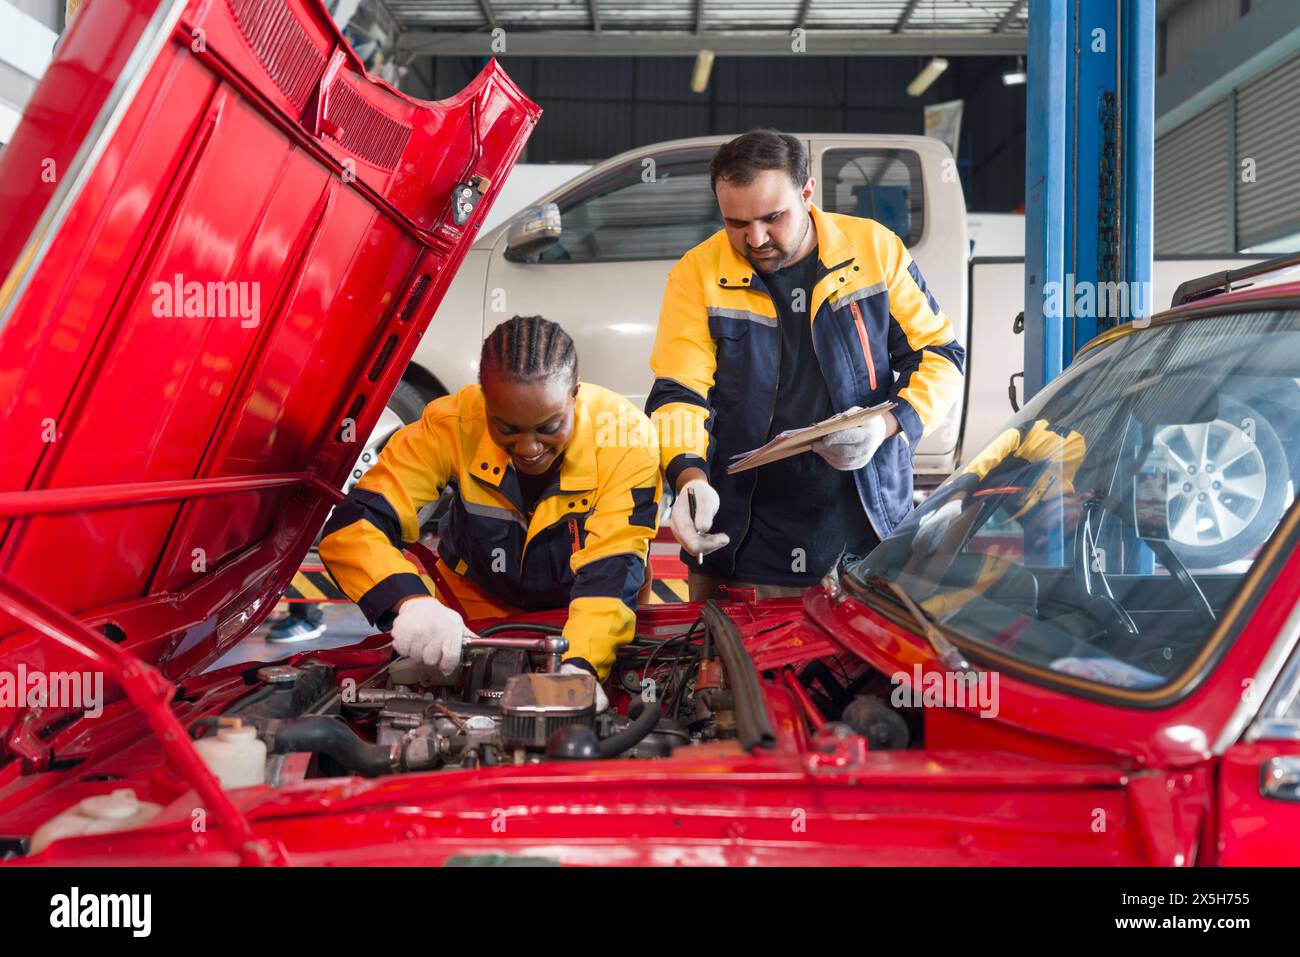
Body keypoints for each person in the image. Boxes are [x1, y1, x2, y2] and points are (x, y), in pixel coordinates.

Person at [646, 129, 966, 599]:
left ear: (808, 192)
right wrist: (688, 477)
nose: (755, 238)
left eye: (772, 217)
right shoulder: (696, 275)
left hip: (866, 534)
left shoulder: (874, 251)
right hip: (742, 545)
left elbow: (939, 356)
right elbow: (680, 394)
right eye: (736, 222)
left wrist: (887, 426)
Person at [319, 316, 662, 708]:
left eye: (549, 427)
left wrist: (580, 667)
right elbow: (353, 526)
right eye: (508, 428)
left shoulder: (624, 438)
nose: (529, 447)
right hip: (473, 610)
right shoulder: (449, 425)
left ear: (575, 395)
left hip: (587, 612)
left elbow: (613, 567)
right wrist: (410, 602)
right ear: (485, 402)